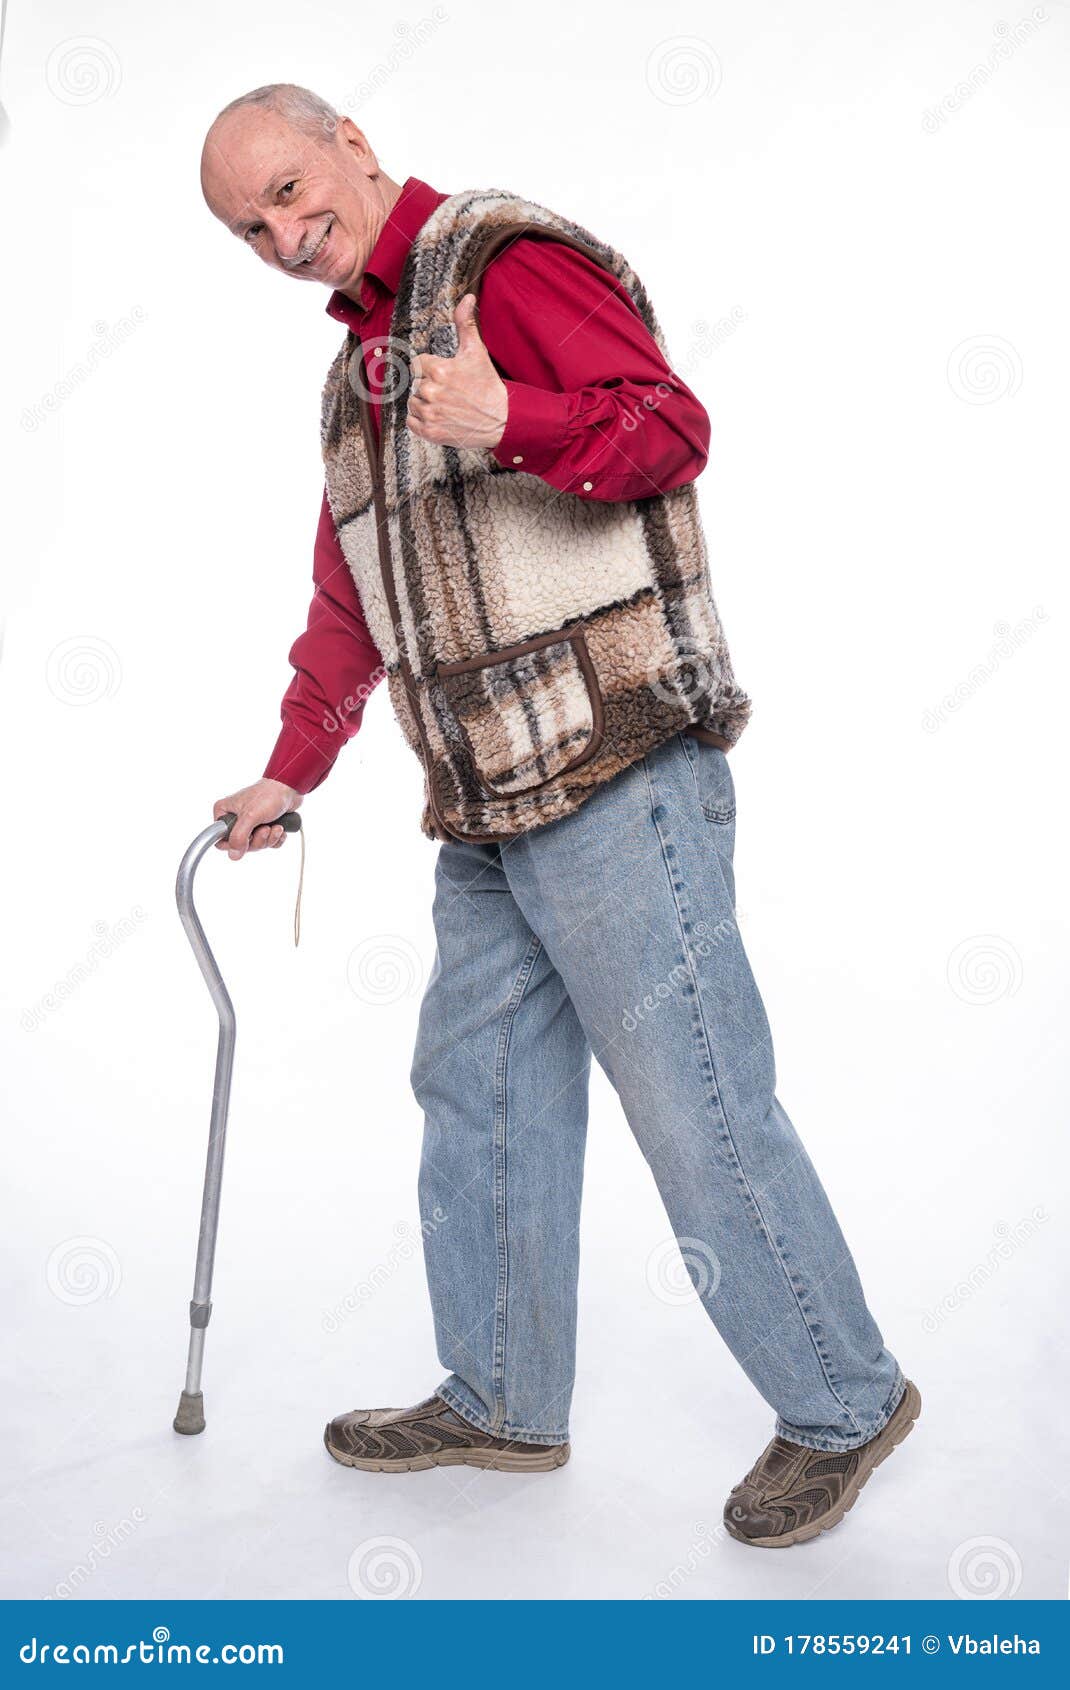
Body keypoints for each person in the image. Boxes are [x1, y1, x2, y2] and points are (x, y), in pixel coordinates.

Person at [199, 82, 919, 1548]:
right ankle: (505, 1394)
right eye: (248, 225)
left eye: (287, 186)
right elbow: (353, 594)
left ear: (349, 139)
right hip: (482, 799)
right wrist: (295, 762)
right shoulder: (355, 384)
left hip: (618, 768)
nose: (281, 232)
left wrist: (507, 413)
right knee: (479, 1093)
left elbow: (671, 430)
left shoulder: (505, 264)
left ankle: (846, 1398)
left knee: (695, 1101)